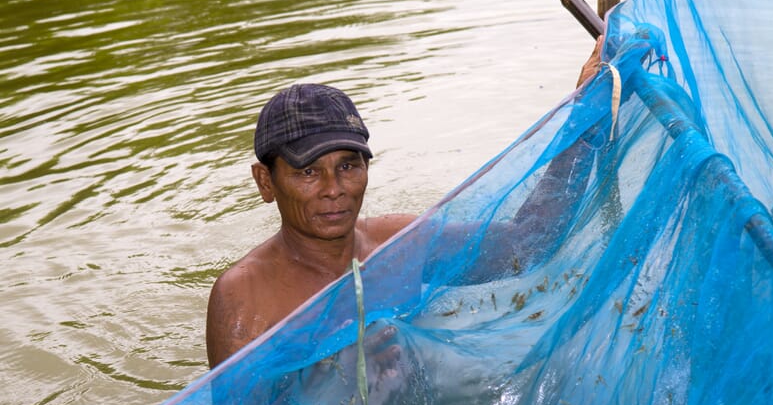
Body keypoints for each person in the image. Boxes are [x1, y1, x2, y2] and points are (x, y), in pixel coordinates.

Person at [206, 37, 605, 369]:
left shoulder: (398, 246)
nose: (334, 188)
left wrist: (585, 118)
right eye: (308, 173)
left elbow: (529, 243)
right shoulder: (245, 297)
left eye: (348, 166)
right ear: (265, 181)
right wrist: (331, 383)